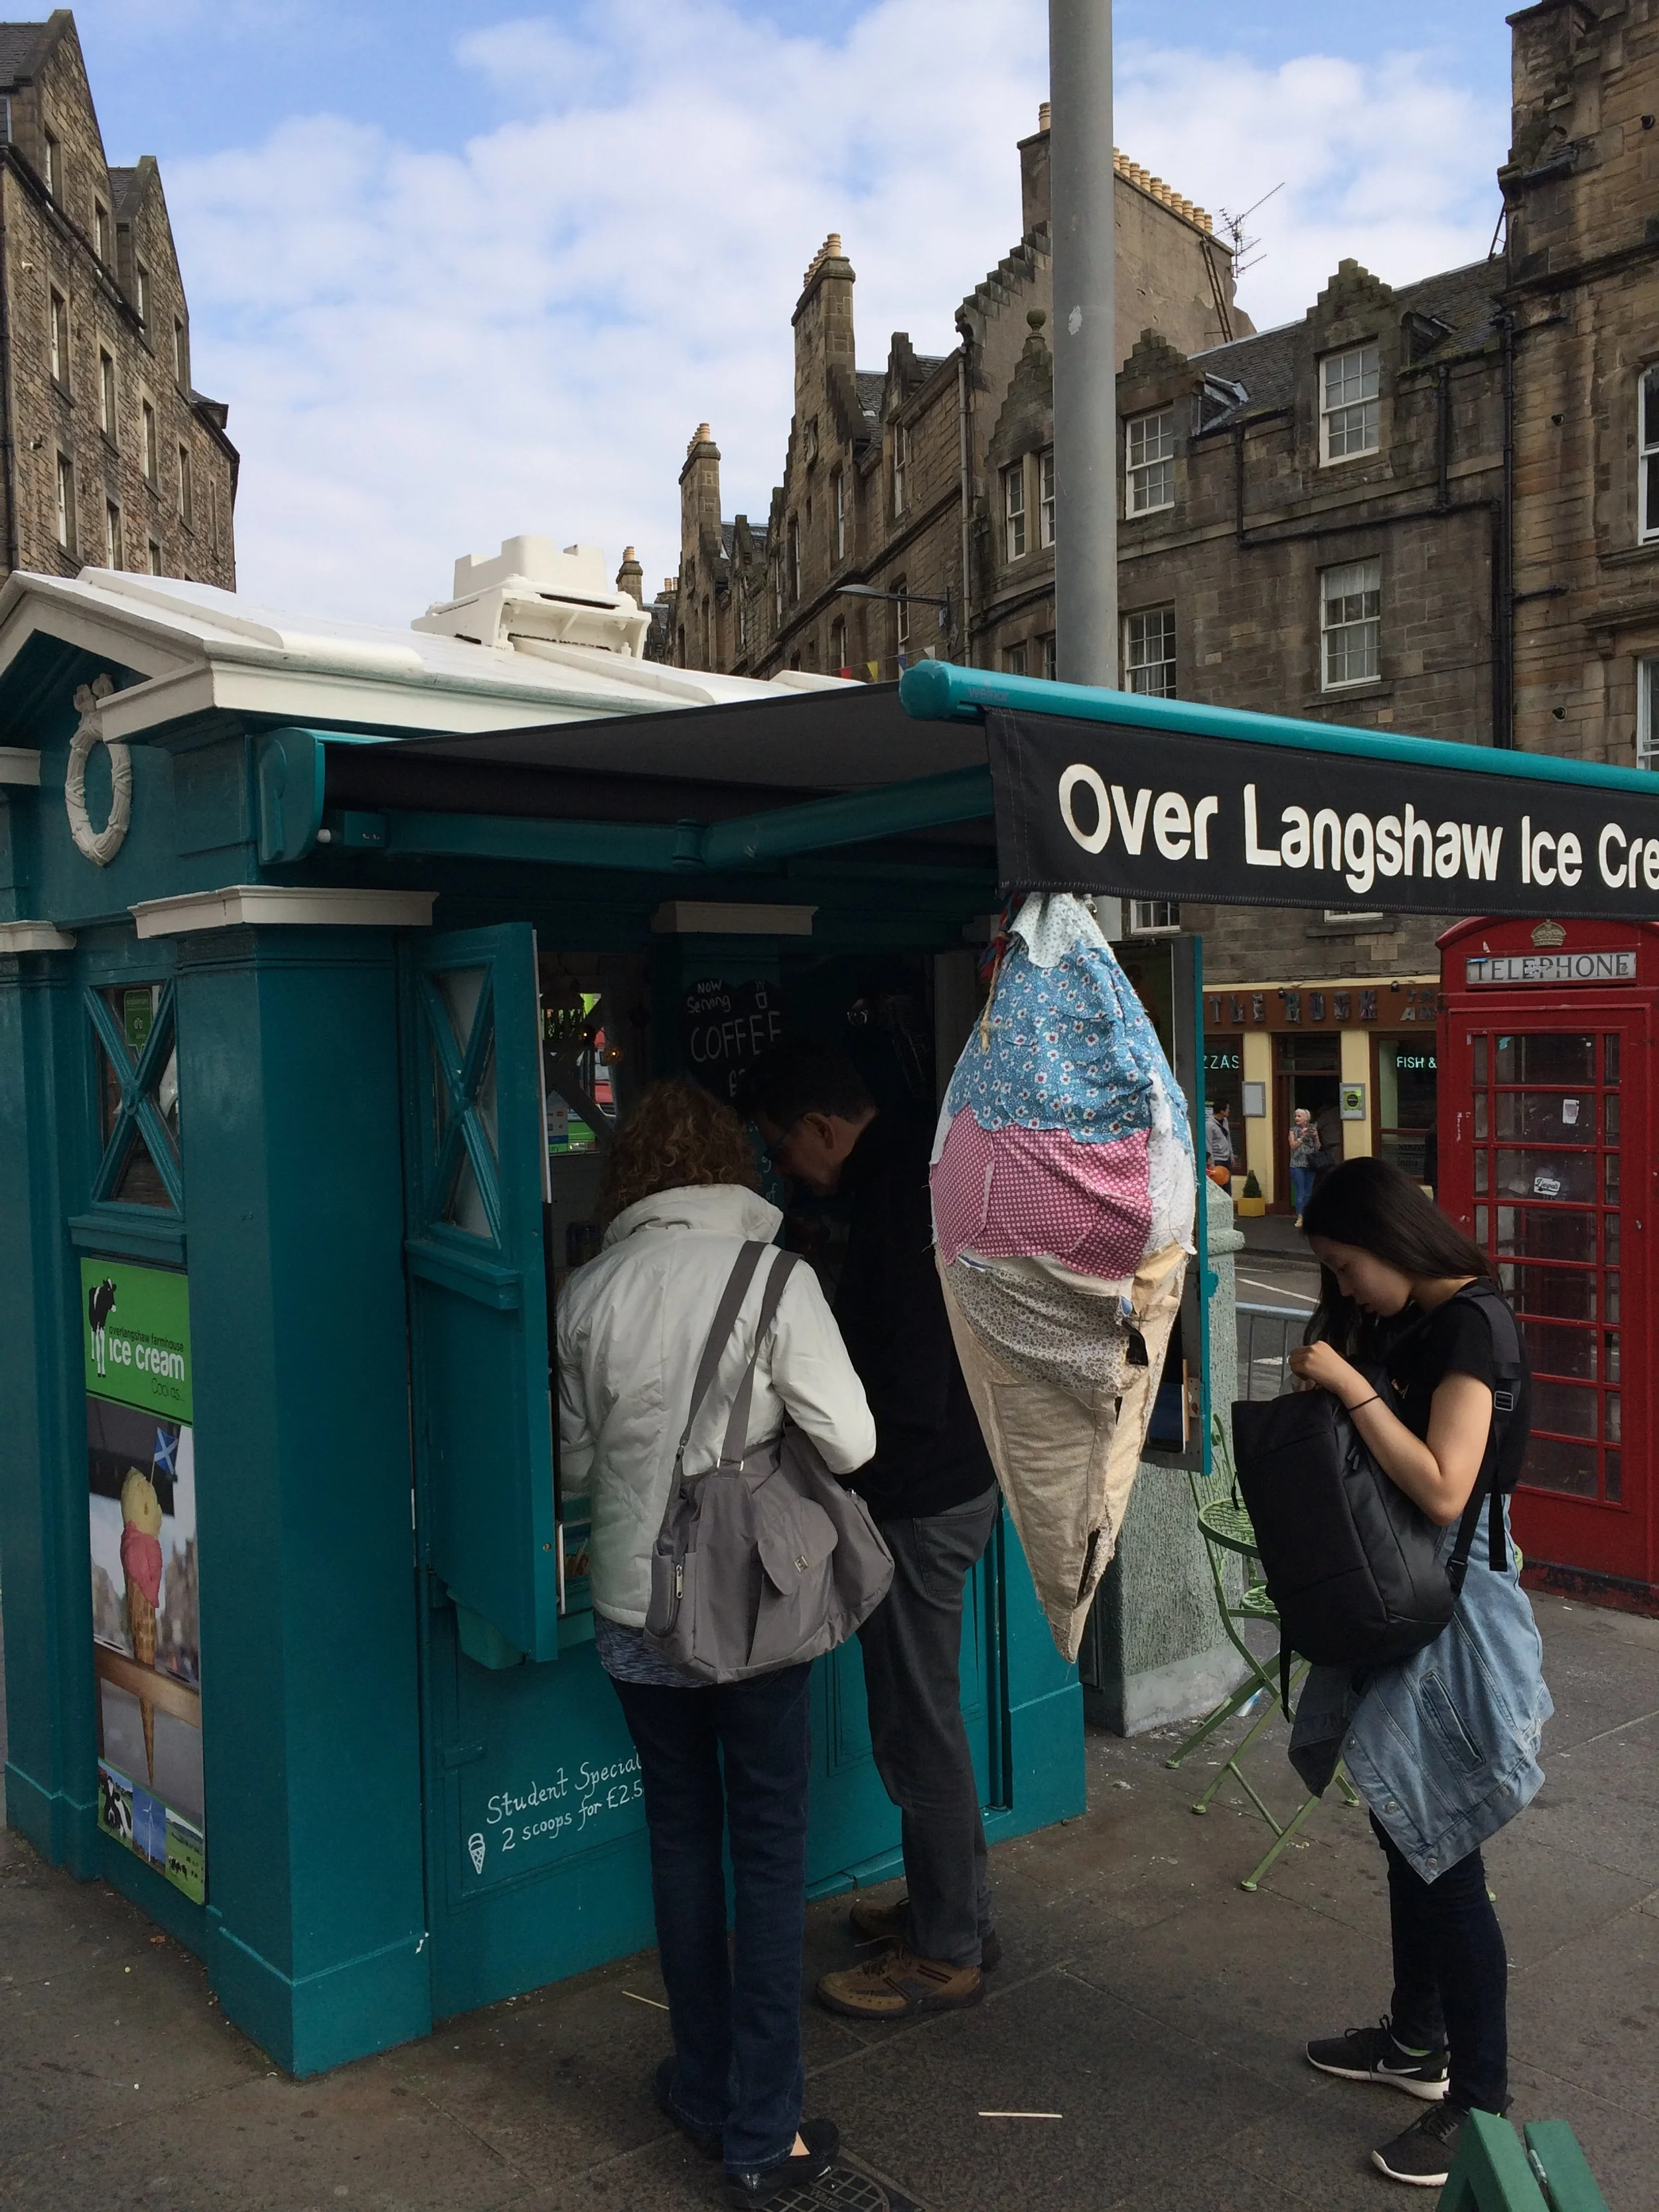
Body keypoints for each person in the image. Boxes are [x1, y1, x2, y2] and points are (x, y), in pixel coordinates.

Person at [557, 1078, 877, 2207]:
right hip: (752, 1611)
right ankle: (763, 2134)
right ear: (730, 1167)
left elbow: (574, 1468)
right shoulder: (775, 1277)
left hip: (634, 1613)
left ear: (635, 1174)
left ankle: (700, 2082)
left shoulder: (588, 1288)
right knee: (771, 1850)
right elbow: (853, 1435)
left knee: (683, 1842)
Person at [1287, 1157, 1548, 2191]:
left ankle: (1478, 2107)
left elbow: (1445, 1487)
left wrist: (1351, 1388)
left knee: (1448, 1860)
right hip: (1402, 1597)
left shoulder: (1474, 1327)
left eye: (1350, 1266)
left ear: (1394, 1240)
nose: (1346, 1287)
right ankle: (1416, 2039)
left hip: (1455, 1606)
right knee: (1405, 1826)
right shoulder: (1407, 1321)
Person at [739, 1039, 1001, 2021]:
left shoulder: (897, 1202)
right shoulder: (922, 1172)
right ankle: (956, 1908)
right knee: (931, 1713)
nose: (784, 1171)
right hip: (959, 1482)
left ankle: (946, 1948)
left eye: (783, 1149)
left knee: (917, 1722)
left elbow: (906, 1387)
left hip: (921, 1499)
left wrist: (849, 1482)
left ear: (822, 1127)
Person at [1288, 1106, 1321, 1224]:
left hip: (1310, 1164)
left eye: (1299, 1116)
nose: (1296, 1118)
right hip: (1297, 1165)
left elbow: (1318, 1147)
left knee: (1309, 1192)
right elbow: (1293, 1146)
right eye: (1296, 1116)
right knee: (1300, 1192)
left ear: (1306, 1119)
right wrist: (1302, 1137)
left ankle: (1307, 1216)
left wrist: (1316, 1136)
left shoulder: (1313, 1129)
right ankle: (1300, 1217)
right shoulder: (1293, 1130)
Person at [1204, 1100, 1233, 1187]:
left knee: (1227, 1184)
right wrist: (1211, 1162)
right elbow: (1208, 1144)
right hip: (1217, 1160)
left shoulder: (1225, 1121)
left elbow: (1228, 1138)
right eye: (1228, 1109)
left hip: (1226, 1159)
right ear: (1222, 1111)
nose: (1229, 1111)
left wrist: (1231, 1155)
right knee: (1218, 1185)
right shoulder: (1209, 1125)